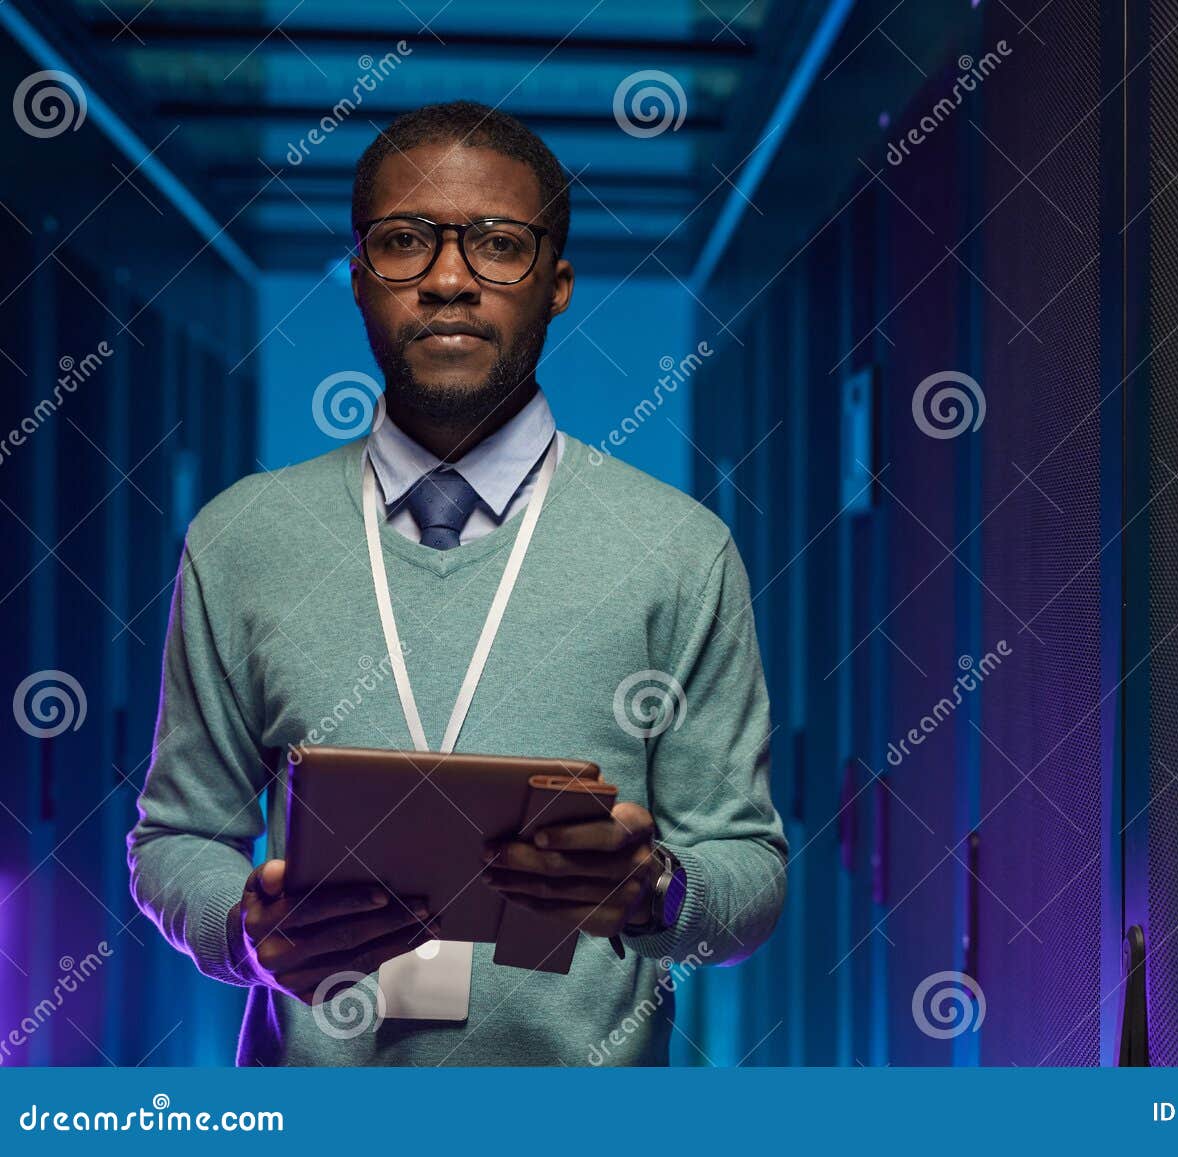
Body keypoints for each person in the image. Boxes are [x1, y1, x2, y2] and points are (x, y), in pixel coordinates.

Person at [125, 100, 786, 1066]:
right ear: (358, 279)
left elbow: (751, 870)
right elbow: (176, 835)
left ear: (556, 283)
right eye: (404, 242)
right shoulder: (241, 538)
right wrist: (245, 930)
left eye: (497, 245)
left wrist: (660, 892)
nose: (447, 280)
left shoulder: (679, 550)